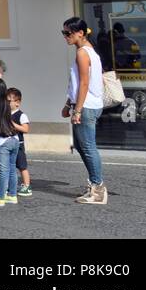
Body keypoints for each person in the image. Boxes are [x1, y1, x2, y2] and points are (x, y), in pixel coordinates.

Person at [63, 16, 107, 205]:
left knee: (88, 147)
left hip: (86, 105)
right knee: (82, 146)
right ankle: (95, 186)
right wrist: (68, 104)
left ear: (80, 33)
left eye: (68, 33)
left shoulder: (82, 53)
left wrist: (77, 110)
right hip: (88, 104)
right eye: (63, 33)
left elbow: (84, 83)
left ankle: (98, 189)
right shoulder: (90, 52)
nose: (65, 37)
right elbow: (78, 83)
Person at [0, 78, 20, 207]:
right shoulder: (7, 104)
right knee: (12, 169)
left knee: (3, 171)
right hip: (15, 139)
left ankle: (0, 196)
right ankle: (12, 195)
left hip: (2, 142)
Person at [8, 87, 33, 197]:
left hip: (19, 145)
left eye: (9, 101)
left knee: (22, 165)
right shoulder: (6, 114)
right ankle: (11, 185)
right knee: (9, 165)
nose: (6, 103)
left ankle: (27, 186)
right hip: (8, 144)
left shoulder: (21, 115)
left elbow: (26, 129)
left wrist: (14, 124)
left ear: (17, 102)